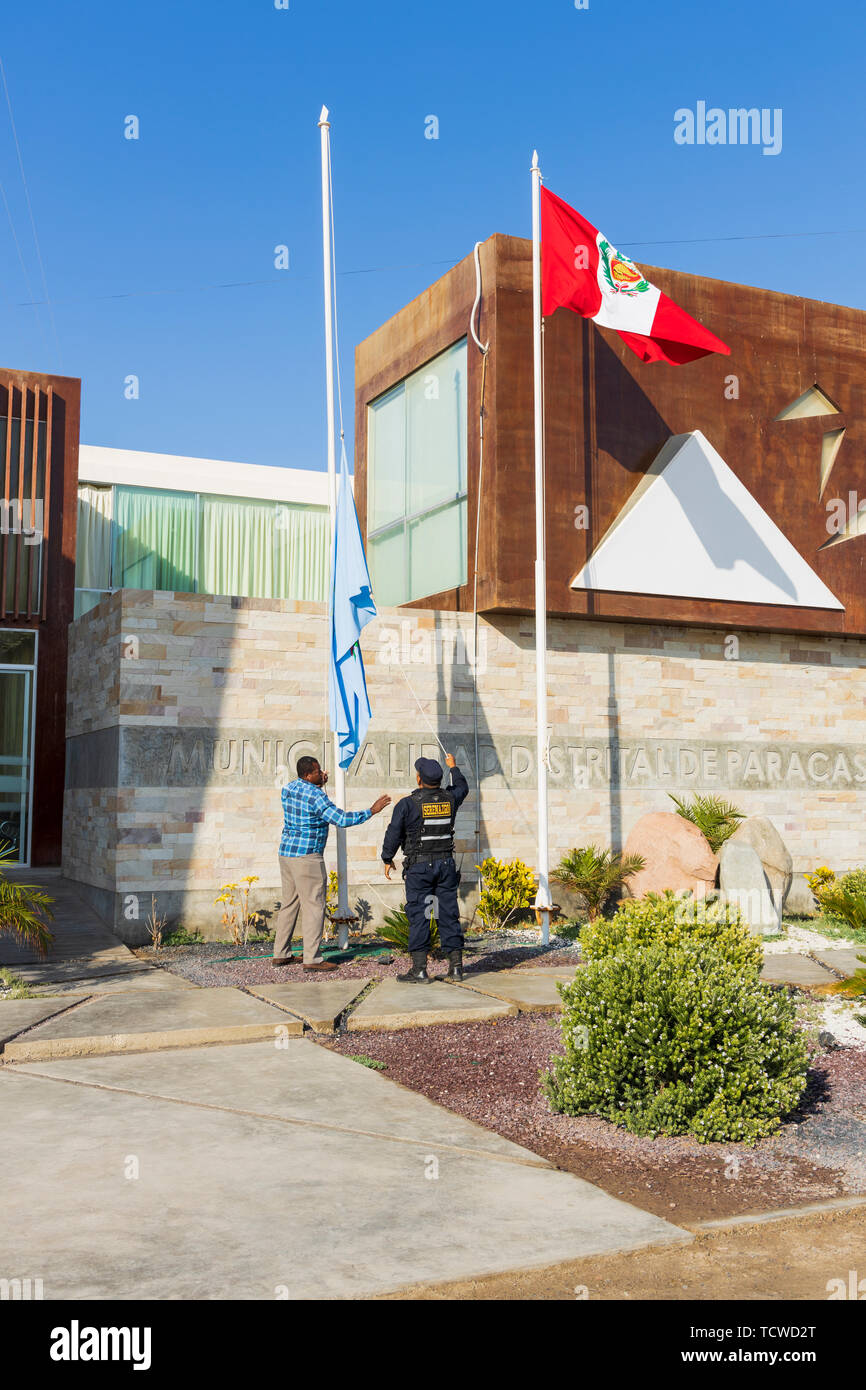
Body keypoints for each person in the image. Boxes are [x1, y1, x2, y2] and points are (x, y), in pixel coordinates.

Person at [275, 755, 390, 971]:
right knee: (314, 907)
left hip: (286, 853)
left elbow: (309, 797)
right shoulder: (315, 795)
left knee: (289, 903)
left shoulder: (288, 788)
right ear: (308, 774)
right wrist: (371, 811)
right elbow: (341, 819)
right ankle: (312, 959)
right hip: (307, 857)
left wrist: (319, 783)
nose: (322, 773)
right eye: (318, 771)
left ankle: (281, 953)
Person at [381, 753, 469, 983]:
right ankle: (457, 967)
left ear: (419, 779)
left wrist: (387, 857)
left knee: (420, 914)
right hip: (445, 865)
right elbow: (462, 786)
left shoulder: (408, 804)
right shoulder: (450, 798)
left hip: (419, 868)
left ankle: (419, 970)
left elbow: (393, 833)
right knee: (448, 913)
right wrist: (454, 768)